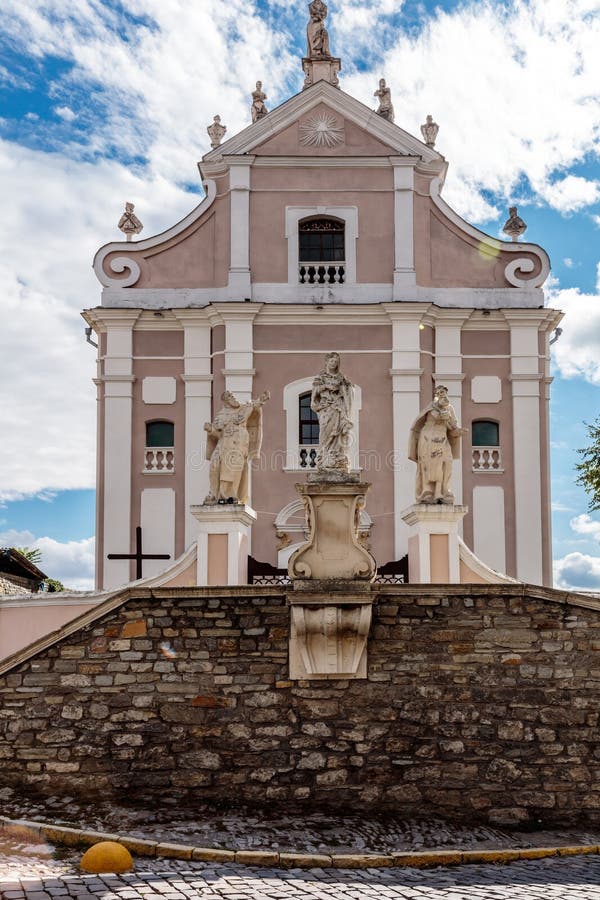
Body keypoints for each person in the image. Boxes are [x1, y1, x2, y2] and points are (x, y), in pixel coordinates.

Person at [204, 390, 270, 504]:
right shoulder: (221, 415)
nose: (233, 398)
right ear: (225, 401)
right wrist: (211, 430)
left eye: (233, 396)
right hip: (223, 443)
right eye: (230, 396)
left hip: (238, 443)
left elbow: (254, 405)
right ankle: (215, 494)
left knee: (231, 468)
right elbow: (218, 434)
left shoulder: (244, 408)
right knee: (214, 467)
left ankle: (228, 495)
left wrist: (262, 399)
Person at [408, 385, 465, 504]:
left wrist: (458, 431)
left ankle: (443, 490)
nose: (441, 394)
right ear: (435, 395)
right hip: (428, 438)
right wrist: (443, 416)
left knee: (447, 462)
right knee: (431, 465)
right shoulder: (431, 407)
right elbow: (436, 416)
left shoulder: (450, 409)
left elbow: (452, 427)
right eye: (438, 392)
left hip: (442, 438)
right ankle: (429, 491)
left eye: (443, 392)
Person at [311, 352, 354, 472]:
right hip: (326, 409)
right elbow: (315, 394)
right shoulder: (320, 378)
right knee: (325, 433)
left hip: (337, 409)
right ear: (327, 362)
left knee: (338, 433)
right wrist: (326, 387)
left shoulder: (341, 378)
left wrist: (347, 387)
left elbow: (348, 391)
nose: (333, 364)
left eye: (336, 362)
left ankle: (336, 457)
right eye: (331, 361)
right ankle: (325, 458)